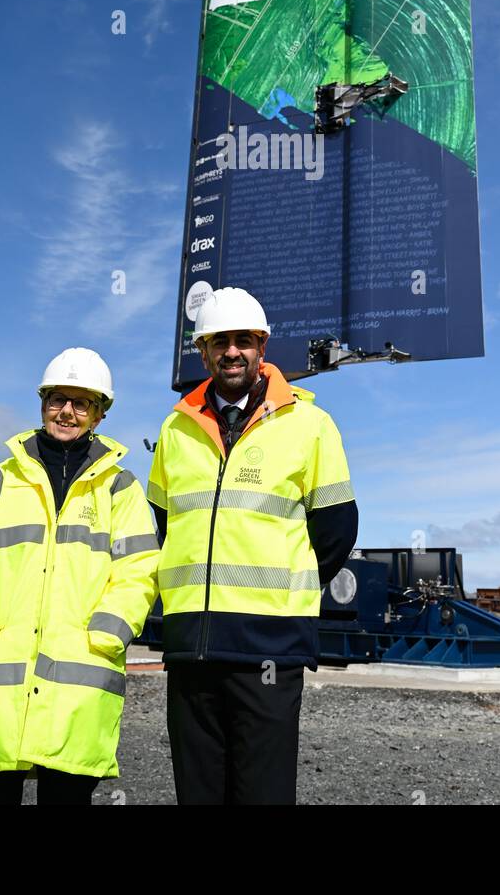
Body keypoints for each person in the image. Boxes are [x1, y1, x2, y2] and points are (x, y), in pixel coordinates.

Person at [148, 287, 358, 805]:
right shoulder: (176, 429)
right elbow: (160, 527)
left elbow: (335, 533)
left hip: (270, 649)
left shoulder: (310, 426)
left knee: (262, 794)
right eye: (220, 342)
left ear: (262, 346)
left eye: (244, 340)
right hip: (192, 645)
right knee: (198, 795)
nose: (232, 351)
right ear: (203, 352)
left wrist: (282, 592)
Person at [0, 347, 159, 805]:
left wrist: (107, 635)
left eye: (82, 403)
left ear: (100, 414)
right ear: (42, 404)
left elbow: (138, 572)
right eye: (58, 399)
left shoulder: (120, 488)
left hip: (79, 683)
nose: (67, 412)